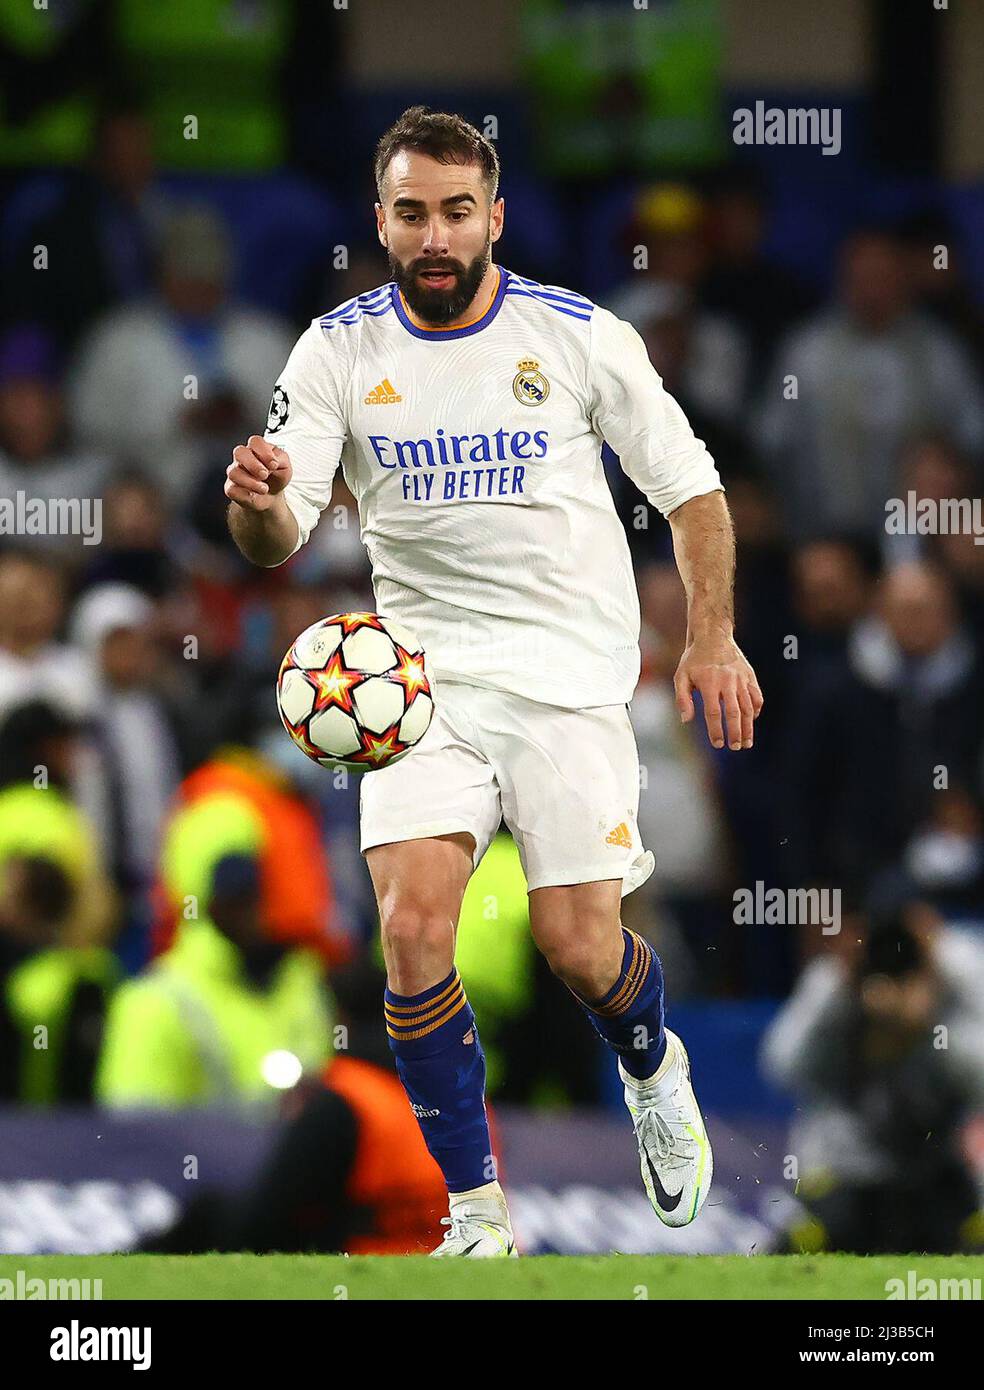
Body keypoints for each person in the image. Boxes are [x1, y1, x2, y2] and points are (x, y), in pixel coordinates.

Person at [225, 107, 763, 1256]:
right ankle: (475, 1215)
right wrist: (257, 494)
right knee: (414, 933)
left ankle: (654, 1065)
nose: (434, 234)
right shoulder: (335, 351)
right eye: (411, 211)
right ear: (381, 219)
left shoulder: (579, 336)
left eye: (456, 212)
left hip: (568, 677)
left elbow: (695, 490)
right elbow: (274, 536)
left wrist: (710, 636)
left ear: (495, 218)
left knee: (578, 945)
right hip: (415, 683)